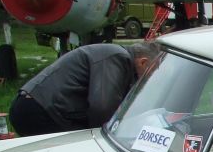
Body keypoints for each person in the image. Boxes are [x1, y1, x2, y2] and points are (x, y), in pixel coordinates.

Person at [9, 43, 155, 136]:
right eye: (154, 72)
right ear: (143, 62)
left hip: (41, 107)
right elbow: (103, 109)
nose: (152, 79)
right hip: (40, 111)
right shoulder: (118, 57)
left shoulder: (117, 57)